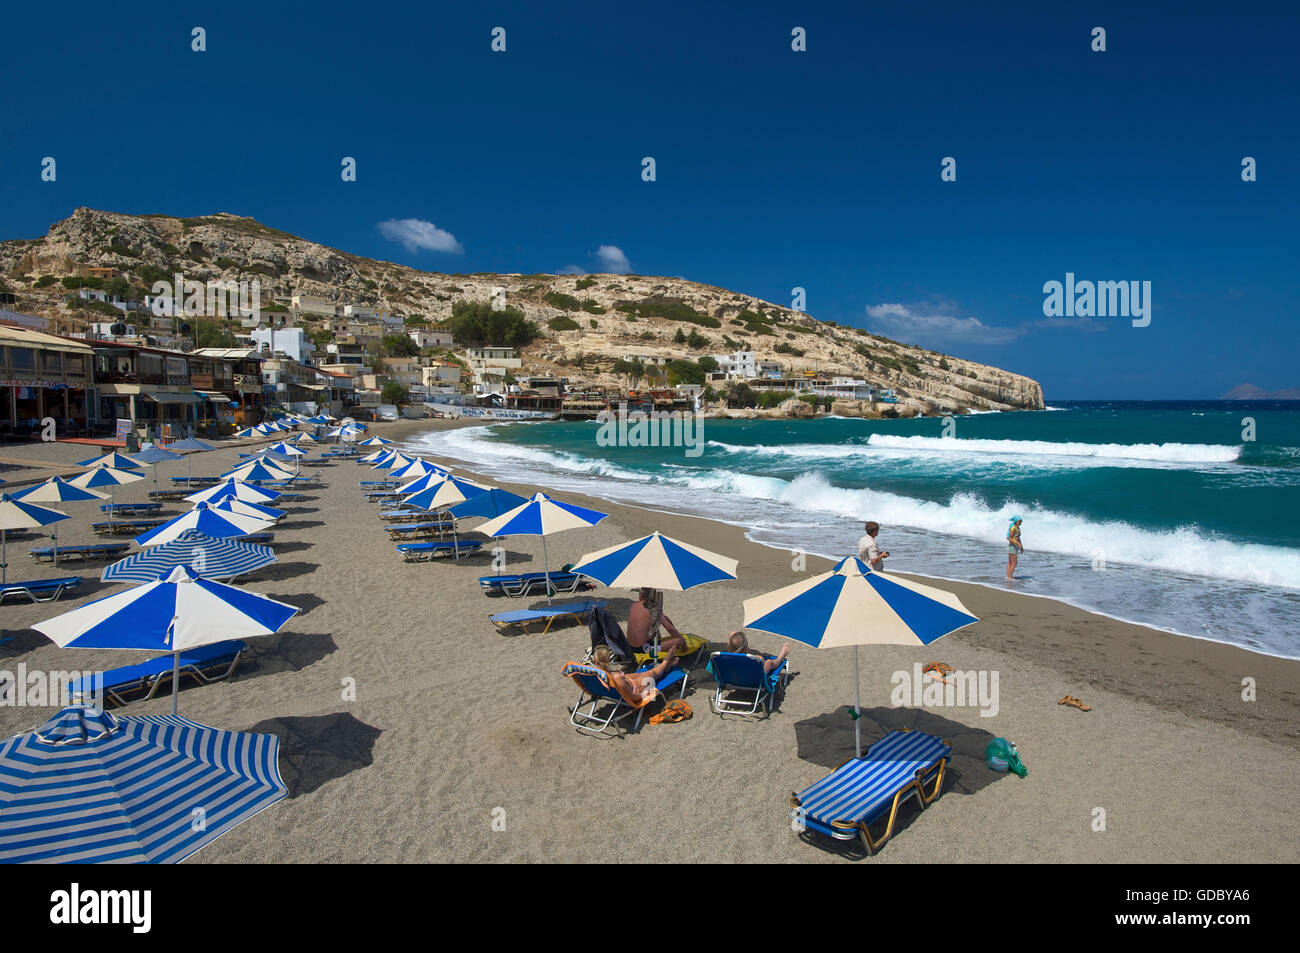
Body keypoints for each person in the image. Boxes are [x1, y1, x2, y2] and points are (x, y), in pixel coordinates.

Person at [589, 643, 680, 705]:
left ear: (595, 660)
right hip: (634, 688)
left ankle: (667, 666)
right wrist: (647, 693)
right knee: (653, 673)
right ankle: (667, 660)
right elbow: (633, 697)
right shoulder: (616, 678)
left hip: (626, 683)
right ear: (609, 659)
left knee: (644, 673)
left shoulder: (595, 674)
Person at [626, 586, 685, 653]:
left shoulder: (634, 605)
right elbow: (669, 628)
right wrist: (682, 639)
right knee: (679, 641)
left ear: (642, 595)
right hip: (643, 649)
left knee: (654, 627)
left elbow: (664, 619)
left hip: (629, 646)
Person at [1006, 515, 1025, 581]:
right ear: (1016, 521)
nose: (1020, 522)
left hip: (1015, 546)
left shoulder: (1017, 528)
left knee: (1011, 562)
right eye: (1019, 521)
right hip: (1012, 546)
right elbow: (1009, 538)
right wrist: (1017, 543)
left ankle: (1008, 576)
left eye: (1021, 521)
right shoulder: (1013, 528)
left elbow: (1018, 537)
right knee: (1014, 563)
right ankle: (1010, 577)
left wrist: (1021, 546)